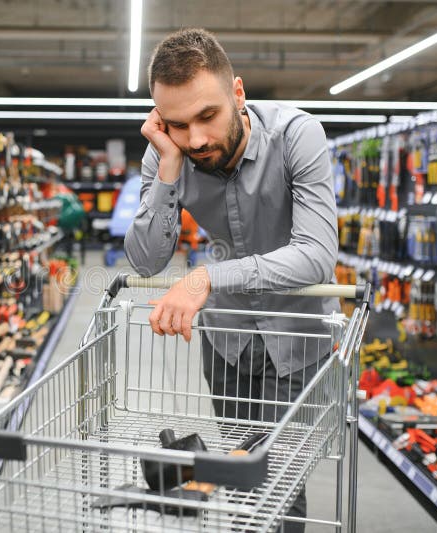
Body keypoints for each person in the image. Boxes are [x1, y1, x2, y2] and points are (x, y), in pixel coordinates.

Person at [124, 28, 340, 532]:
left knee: (280, 480)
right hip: (227, 343)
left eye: (207, 116)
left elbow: (316, 254)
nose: (196, 138)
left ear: (237, 93)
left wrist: (205, 278)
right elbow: (145, 261)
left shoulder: (297, 136)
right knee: (242, 467)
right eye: (177, 124)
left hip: (297, 338)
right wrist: (169, 167)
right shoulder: (168, 152)